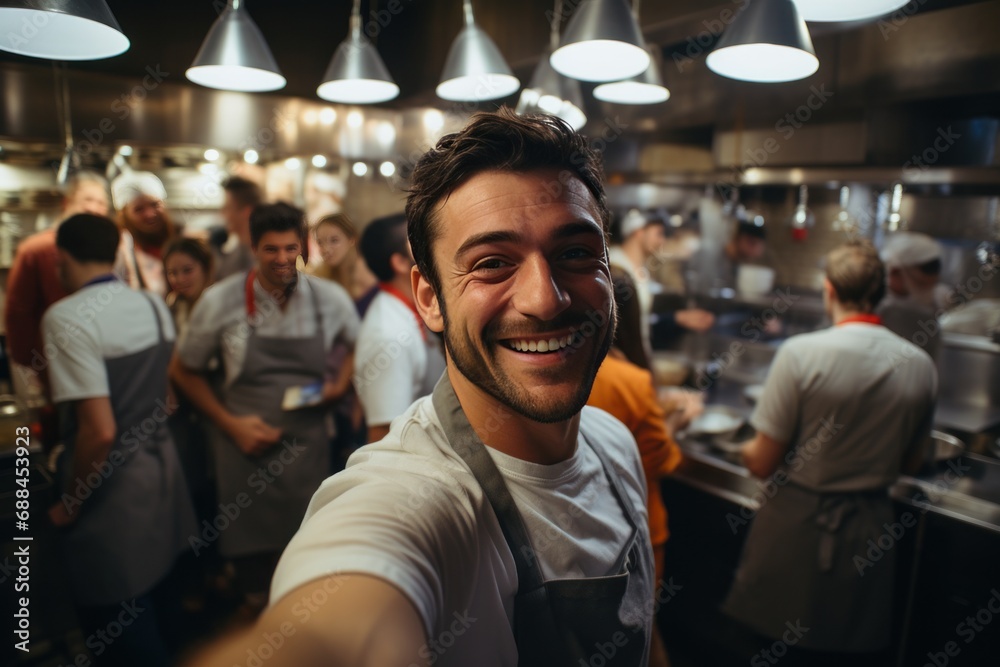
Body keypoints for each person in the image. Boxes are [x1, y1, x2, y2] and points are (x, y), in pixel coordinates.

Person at [190, 109, 654, 667]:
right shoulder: (415, 500)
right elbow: (338, 622)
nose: (545, 299)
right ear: (429, 298)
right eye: (492, 263)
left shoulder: (614, 443)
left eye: (575, 252)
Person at [723, 241, 937, 666]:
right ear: (881, 293)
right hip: (869, 534)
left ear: (829, 290)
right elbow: (912, 463)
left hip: (796, 530)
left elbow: (762, 462)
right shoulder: (920, 364)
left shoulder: (801, 353)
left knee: (776, 650)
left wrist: (741, 448)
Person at [170, 202, 359, 614]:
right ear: (254, 247)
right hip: (243, 450)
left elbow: (355, 344)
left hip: (308, 448)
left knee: (307, 558)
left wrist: (338, 385)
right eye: (271, 249)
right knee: (254, 571)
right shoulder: (221, 301)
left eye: (291, 248)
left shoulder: (328, 298)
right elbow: (183, 371)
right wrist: (230, 424)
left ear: (303, 247)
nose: (283, 259)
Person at [43, 213, 195, 666]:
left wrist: (71, 502)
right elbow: (167, 401)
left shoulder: (64, 317)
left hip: (111, 494)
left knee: (120, 631)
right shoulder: (152, 304)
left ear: (62, 258)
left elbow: (99, 431)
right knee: (166, 612)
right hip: (163, 479)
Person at [4, 171, 109, 402]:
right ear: (67, 203)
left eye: (101, 203)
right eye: (88, 200)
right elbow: (18, 312)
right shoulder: (36, 249)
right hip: (54, 365)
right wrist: (33, 365)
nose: (94, 208)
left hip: (103, 360)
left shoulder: (111, 249)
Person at [354, 213, 446, 443]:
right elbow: (384, 435)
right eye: (417, 240)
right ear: (401, 263)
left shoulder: (411, 308)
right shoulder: (389, 336)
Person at [609, 209, 714, 361]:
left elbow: (640, 322)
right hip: (620, 362)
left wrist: (676, 318)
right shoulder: (615, 268)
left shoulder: (641, 270)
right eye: (659, 234)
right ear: (638, 232)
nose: (662, 241)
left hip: (636, 357)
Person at [877, 231, 950, 359]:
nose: (926, 290)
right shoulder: (880, 307)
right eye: (920, 284)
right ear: (895, 272)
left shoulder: (937, 299)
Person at [111, 171, 176, 297]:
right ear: (124, 215)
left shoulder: (182, 238)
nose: (150, 214)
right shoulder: (120, 251)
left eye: (155, 204)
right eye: (139, 209)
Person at [306, 212, 379, 311]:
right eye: (320, 242)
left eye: (334, 240)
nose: (326, 249)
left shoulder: (368, 271)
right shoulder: (321, 276)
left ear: (351, 239)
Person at [214, 175, 263, 281]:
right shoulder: (233, 253)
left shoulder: (261, 258)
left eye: (227, 208)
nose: (222, 213)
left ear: (247, 212)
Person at [164, 237, 215, 337]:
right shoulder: (174, 306)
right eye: (172, 273)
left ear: (205, 268)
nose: (180, 279)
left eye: (187, 270)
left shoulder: (221, 303)